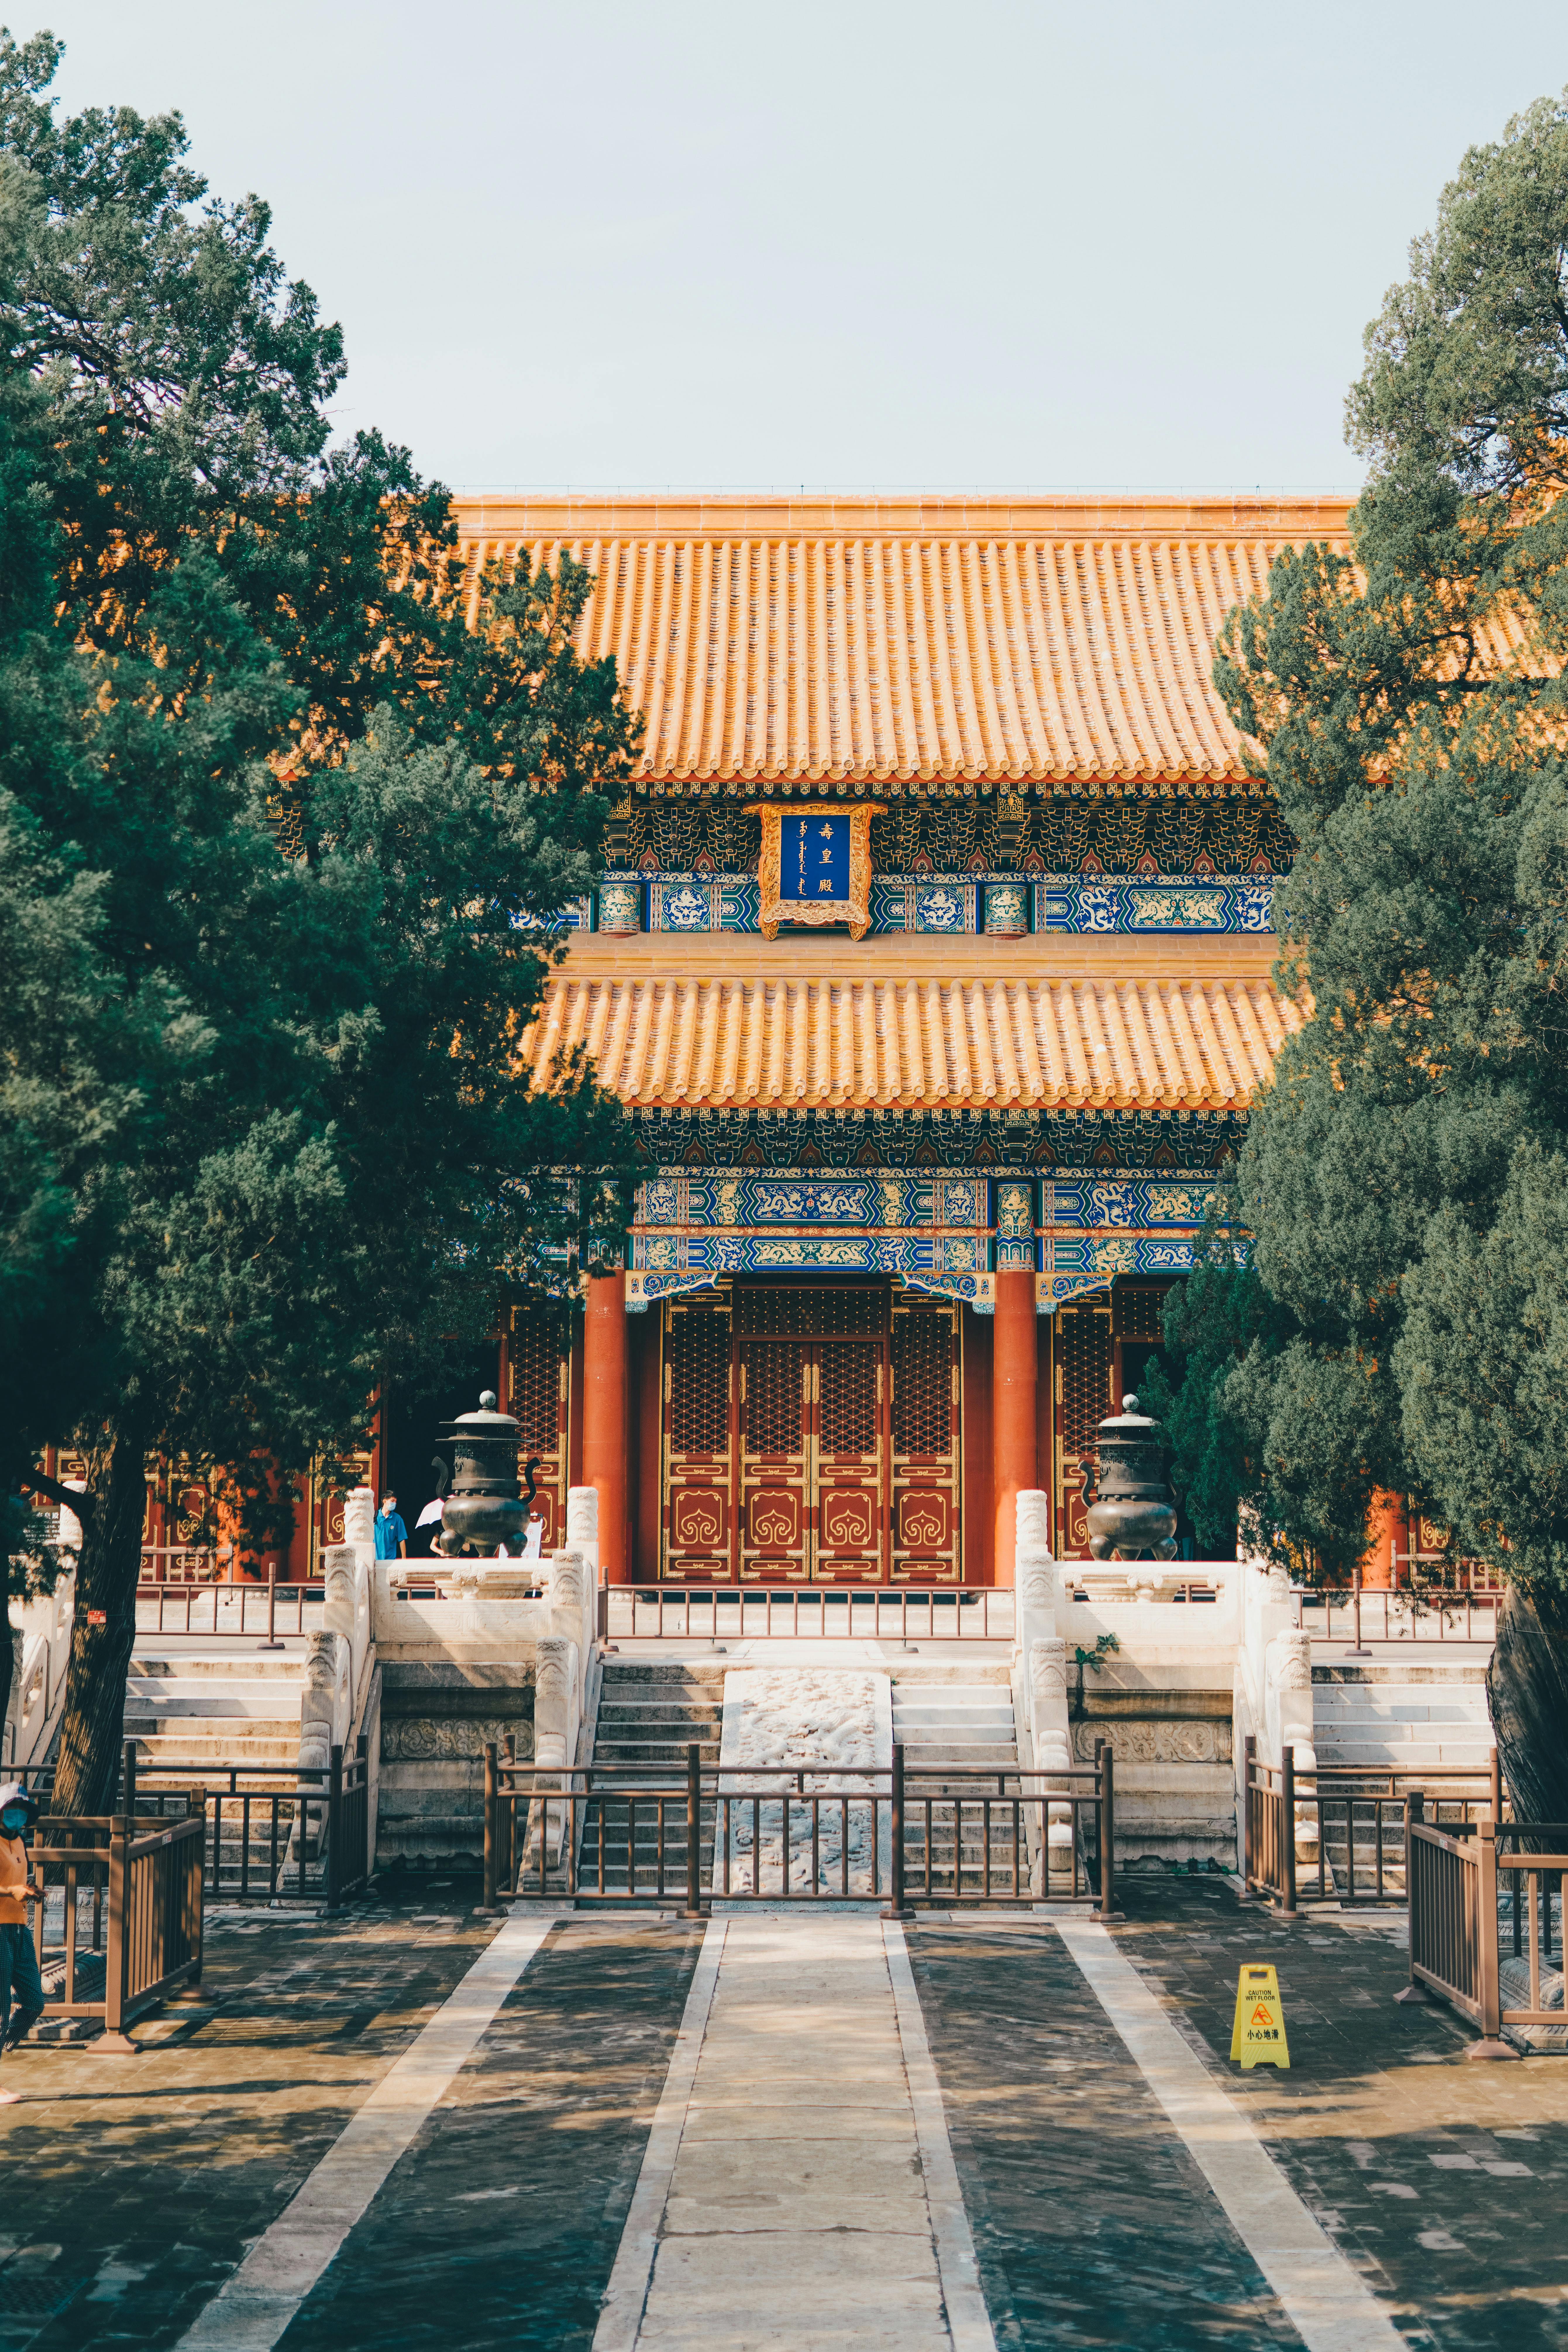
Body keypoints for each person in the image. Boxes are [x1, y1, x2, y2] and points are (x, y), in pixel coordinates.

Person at [0, 1780, 45, 2101]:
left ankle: (3, 2046)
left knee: (34, 2001)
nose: (17, 1817)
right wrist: (10, 1892)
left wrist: (29, 1889)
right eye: (11, 1810)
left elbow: (15, 1878)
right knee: (1, 2009)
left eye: (22, 1811)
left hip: (19, 1928)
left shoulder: (20, 1842)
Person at [374, 1493, 407, 1560]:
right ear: (385, 1502)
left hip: (390, 1560)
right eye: (393, 1501)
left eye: (396, 1502)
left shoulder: (397, 1519)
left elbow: (402, 1539)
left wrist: (404, 1559)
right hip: (374, 1558)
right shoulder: (374, 1516)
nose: (395, 1503)